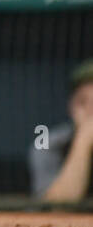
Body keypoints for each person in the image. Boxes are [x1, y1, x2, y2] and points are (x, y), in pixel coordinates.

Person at [31, 59, 93, 203]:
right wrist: (83, 141)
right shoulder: (48, 144)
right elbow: (55, 208)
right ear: (71, 106)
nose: (91, 110)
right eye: (83, 102)